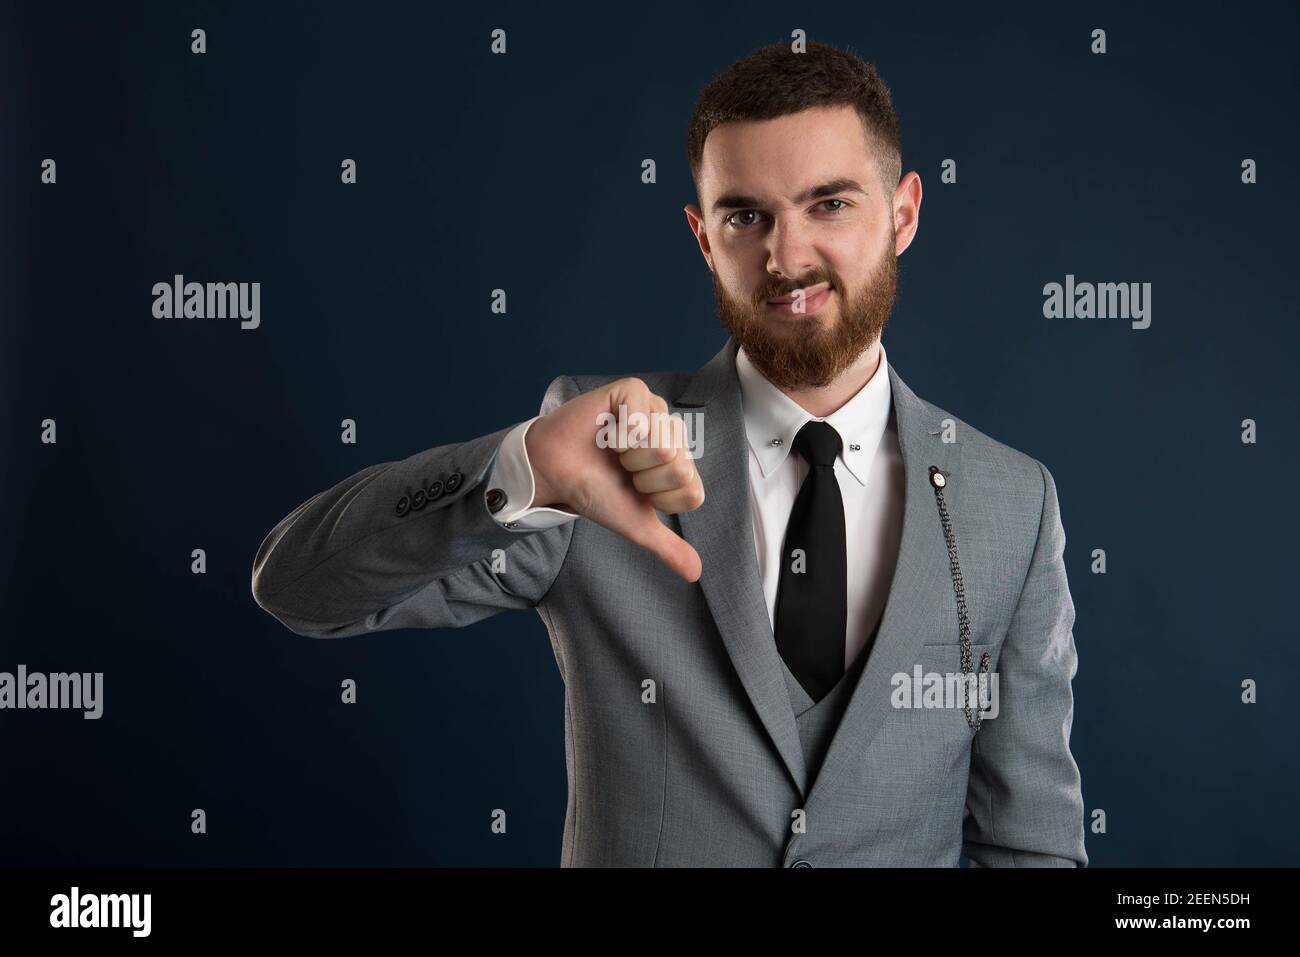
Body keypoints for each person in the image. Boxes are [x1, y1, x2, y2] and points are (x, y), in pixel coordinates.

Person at [252, 40, 1087, 867]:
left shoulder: (1011, 501)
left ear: (903, 213)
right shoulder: (597, 455)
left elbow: (1029, 844)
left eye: (829, 204)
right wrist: (524, 466)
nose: (786, 258)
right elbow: (300, 589)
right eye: (745, 215)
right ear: (702, 236)